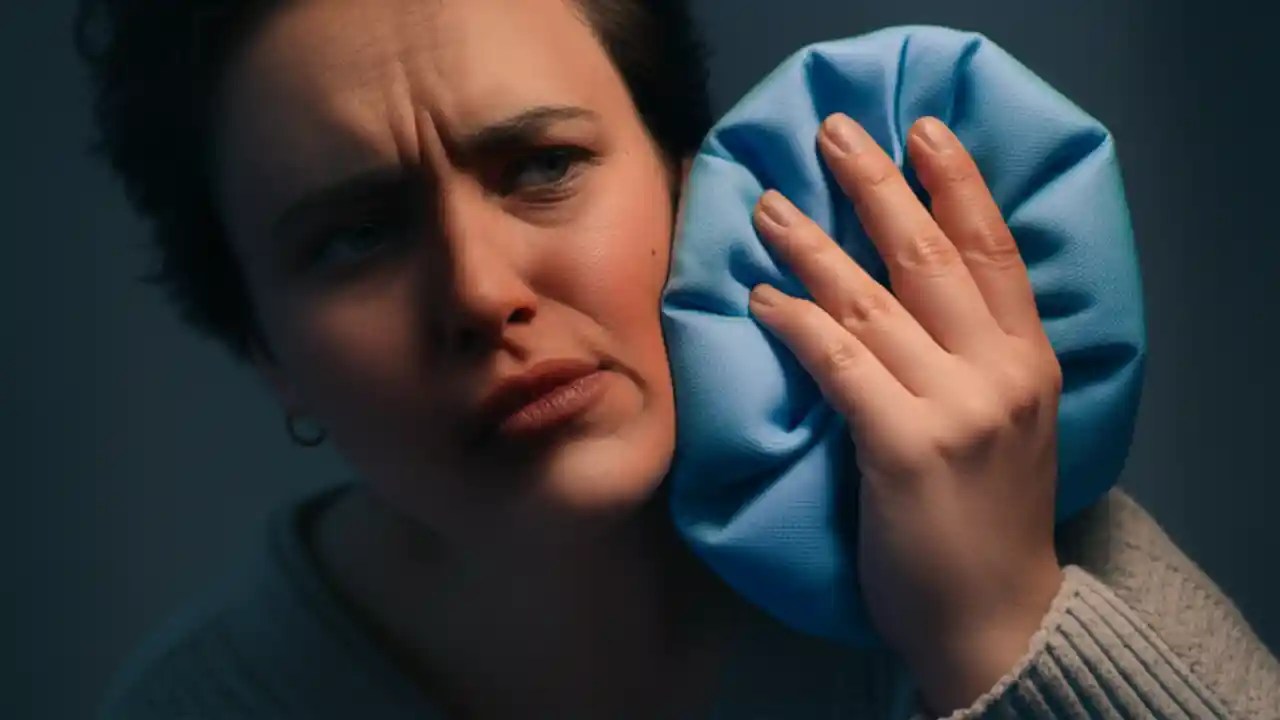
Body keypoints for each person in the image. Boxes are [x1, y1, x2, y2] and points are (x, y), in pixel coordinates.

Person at [76, 0, 1280, 717]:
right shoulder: (206, 702)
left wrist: (995, 627)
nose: (483, 293)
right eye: (353, 235)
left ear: (689, 179)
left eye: (541, 165)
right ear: (264, 348)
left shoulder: (986, 508)